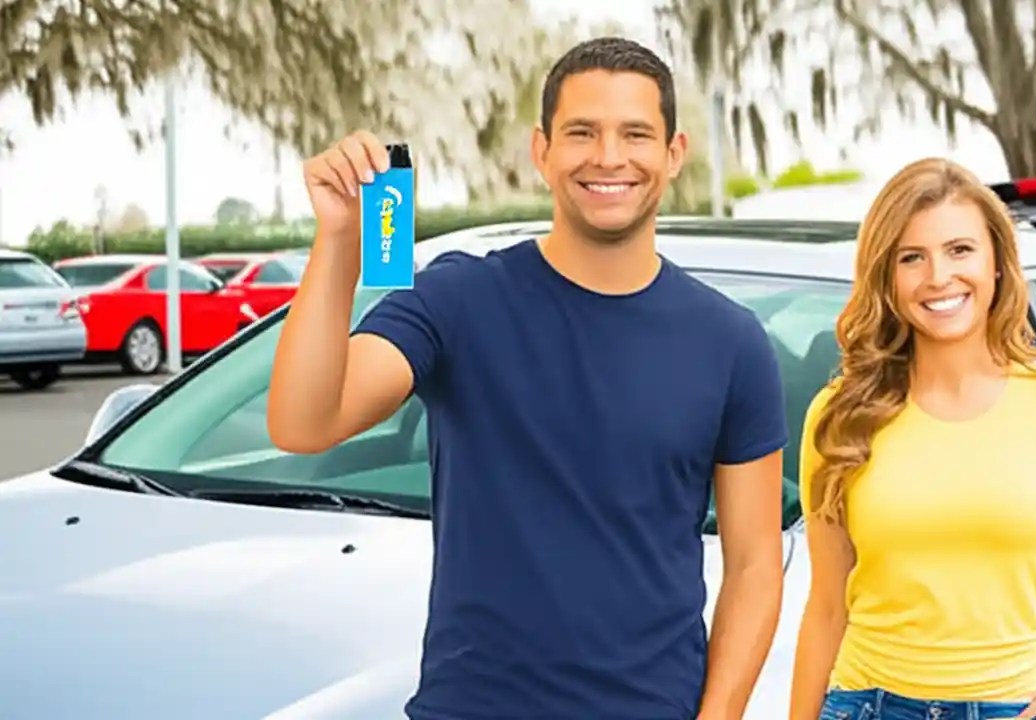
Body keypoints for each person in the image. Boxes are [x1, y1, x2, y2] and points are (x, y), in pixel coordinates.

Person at [266, 36, 789, 720]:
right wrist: (337, 240)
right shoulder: (457, 301)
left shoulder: (731, 342)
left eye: (635, 133)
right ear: (541, 151)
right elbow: (305, 423)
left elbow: (754, 569)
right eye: (582, 132)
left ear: (673, 154)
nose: (608, 157)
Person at [787, 158, 1036, 720]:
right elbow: (827, 607)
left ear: (998, 263)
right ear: (888, 276)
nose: (938, 277)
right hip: (867, 705)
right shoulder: (839, 417)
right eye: (912, 257)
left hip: (1011, 708)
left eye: (960, 250)